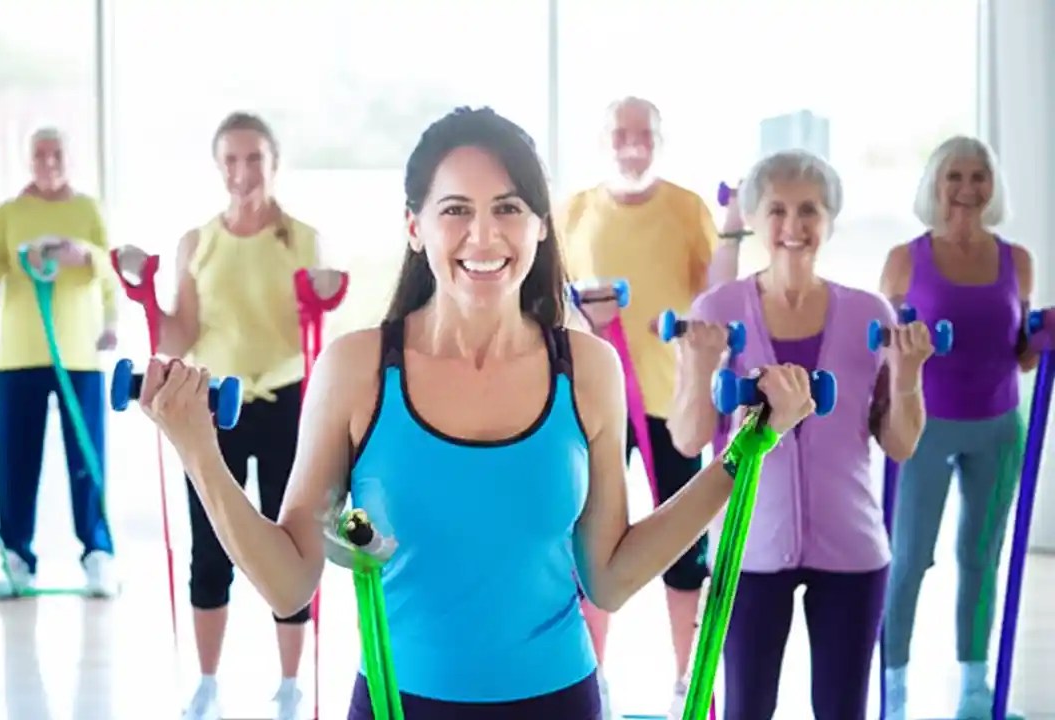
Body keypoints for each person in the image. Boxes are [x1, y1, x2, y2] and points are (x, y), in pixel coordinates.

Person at [133, 106, 818, 720]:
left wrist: (740, 460)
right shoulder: (357, 370)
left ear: (541, 226)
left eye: (509, 207)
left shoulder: (586, 370)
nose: (484, 235)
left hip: (559, 702)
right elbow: (289, 580)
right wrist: (197, 448)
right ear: (414, 226)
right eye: (456, 209)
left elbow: (608, 577)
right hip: (400, 704)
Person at [669, 150, 933, 720]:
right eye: (778, 210)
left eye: (809, 210)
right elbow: (690, 440)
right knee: (747, 709)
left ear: (830, 220)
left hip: (854, 548)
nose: (794, 227)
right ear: (756, 219)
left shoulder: (870, 311)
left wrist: (908, 377)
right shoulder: (718, 308)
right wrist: (697, 367)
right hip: (749, 547)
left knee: (842, 710)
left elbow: (902, 445)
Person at [120, 111, 319, 720]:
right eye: (231, 159)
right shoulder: (196, 242)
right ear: (217, 167)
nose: (243, 171)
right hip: (213, 407)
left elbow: (313, 324)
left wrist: (323, 296)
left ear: (273, 163)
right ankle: (207, 684)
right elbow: (178, 338)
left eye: (254, 157)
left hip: (288, 404)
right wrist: (145, 293)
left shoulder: (303, 239)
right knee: (209, 546)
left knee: (288, 546)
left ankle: (289, 686)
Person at [554, 95, 744, 715]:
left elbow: (716, 293)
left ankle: (688, 679)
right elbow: (549, 302)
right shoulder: (576, 211)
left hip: (668, 401)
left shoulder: (687, 207)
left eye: (644, 133)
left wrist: (736, 224)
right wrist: (581, 306)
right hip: (591, 405)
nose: (632, 144)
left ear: (659, 139)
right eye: (620, 133)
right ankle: (592, 677)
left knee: (681, 549)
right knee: (587, 547)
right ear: (603, 138)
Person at [879, 136, 1038, 719]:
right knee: (909, 558)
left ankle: (975, 690)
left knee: (981, 556)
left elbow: (1017, 353)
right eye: (955, 176)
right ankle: (892, 692)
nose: (967, 189)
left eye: (979, 176)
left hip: (997, 426)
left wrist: (1040, 344)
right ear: (934, 184)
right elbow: (887, 351)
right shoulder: (905, 258)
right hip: (923, 426)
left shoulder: (1016, 260)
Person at [0, 127, 120, 600]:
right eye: (40, 154)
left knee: (86, 456)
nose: (49, 162)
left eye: (57, 153)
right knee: (17, 459)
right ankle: (16, 557)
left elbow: (110, 269)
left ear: (69, 158)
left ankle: (98, 553)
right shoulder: (9, 214)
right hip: (19, 355)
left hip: (79, 355)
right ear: (28, 160)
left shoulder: (88, 210)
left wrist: (87, 263)